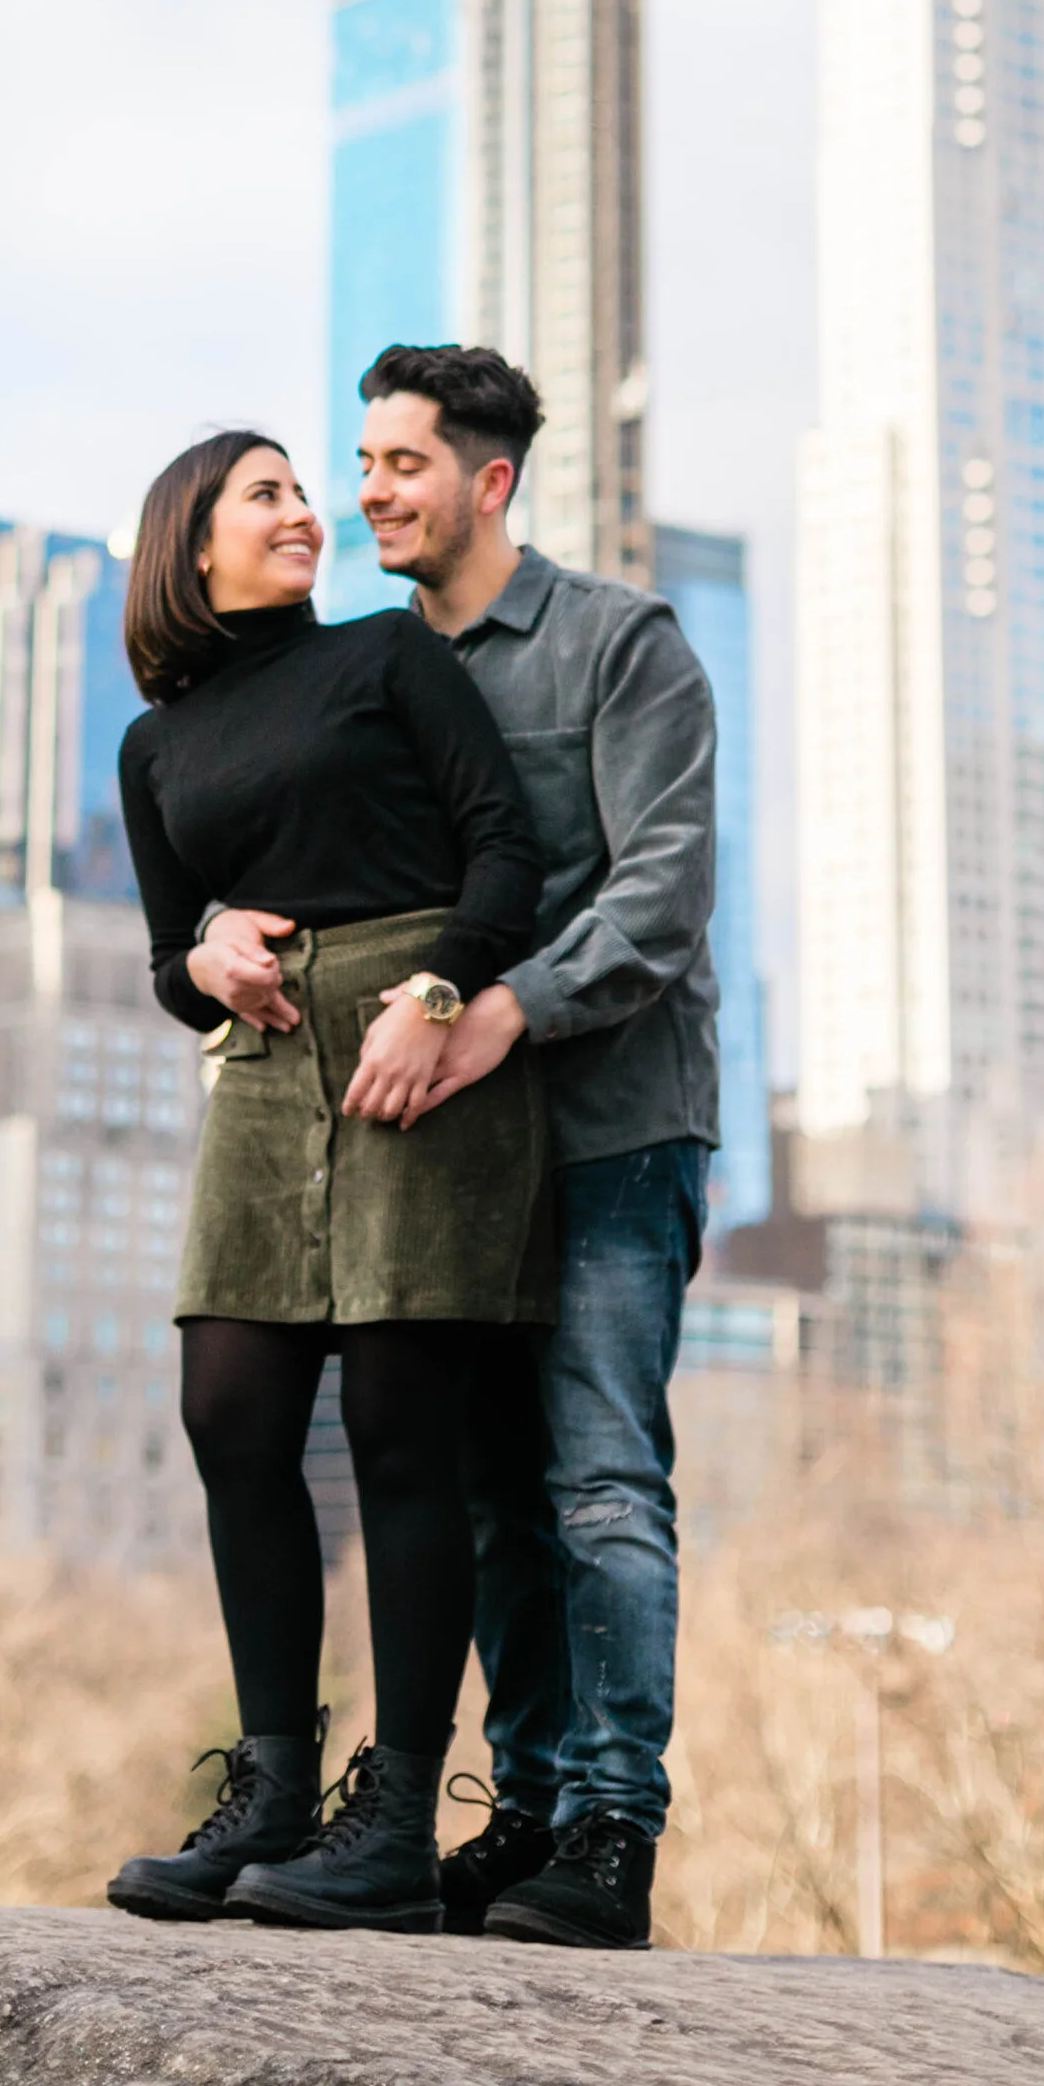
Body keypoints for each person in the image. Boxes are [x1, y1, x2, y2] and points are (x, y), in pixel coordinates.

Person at [219, 344, 718, 1950]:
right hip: (436, 1158)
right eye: (357, 460)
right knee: (490, 1495)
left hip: (609, 1127)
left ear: (489, 480)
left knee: (598, 1486)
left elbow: (660, 892)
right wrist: (208, 934)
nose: (367, 489)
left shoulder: (614, 644)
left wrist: (497, 1007)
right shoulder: (360, 664)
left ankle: (614, 1830)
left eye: (402, 462)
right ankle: (521, 1812)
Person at [103, 425, 551, 1938]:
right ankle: (276, 1787)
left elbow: (512, 853)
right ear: (193, 543)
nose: (306, 512)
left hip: (411, 1049)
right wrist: (205, 961)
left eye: (306, 491)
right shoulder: (153, 744)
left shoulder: (387, 657)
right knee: (230, 1407)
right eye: (270, 494)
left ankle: (394, 1817)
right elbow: (175, 958)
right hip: (263, 1067)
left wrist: (439, 995)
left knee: (399, 1422)